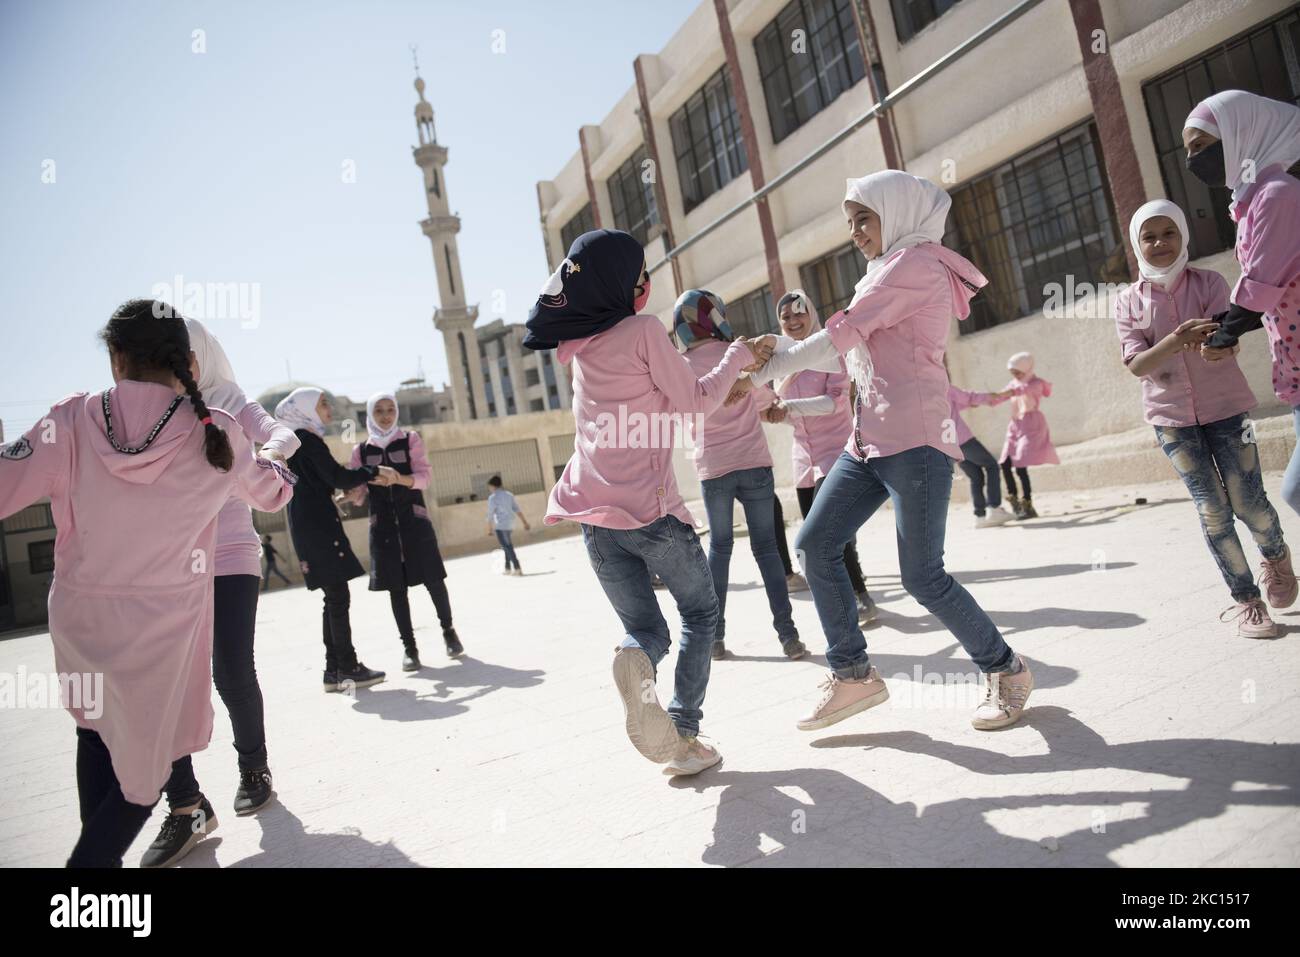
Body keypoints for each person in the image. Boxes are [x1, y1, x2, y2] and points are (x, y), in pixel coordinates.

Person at [0, 299, 294, 867]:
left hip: (80, 628)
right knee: (143, 776)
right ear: (186, 360)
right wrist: (278, 458)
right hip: (163, 635)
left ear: (115, 359)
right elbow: (273, 491)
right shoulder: (218, 433)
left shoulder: (68, 421)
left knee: (94, 734)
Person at [743, 171, 1034, 732]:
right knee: (815, 544)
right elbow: (844, 355)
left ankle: (1007, 670)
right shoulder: (880, 274)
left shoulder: (916, 265)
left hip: (915, 441)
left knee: (922, 577)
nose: (855, 232)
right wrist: (773, 357)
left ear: (896, 212)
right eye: (850, 223)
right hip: (867, 442)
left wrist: (775, 363)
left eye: (863, 219)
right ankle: (853, 675)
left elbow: (840, 336)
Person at [524, 228, 773, 777]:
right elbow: (695, 400)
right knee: (701, 612)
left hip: (592, 518)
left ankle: (636, 665)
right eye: (640, 275)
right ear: (621, 283)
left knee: (648, 632)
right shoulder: (643, 330)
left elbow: (657, 394)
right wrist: (735, 356)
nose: (646, 284)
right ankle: (683, 728)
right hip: (652, 515)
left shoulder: (579, 347)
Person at [140, 318, 302, 868]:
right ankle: (186, 804)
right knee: (164, 682)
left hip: (230, 555)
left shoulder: (228, 399)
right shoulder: (147, 408)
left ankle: (254, 769)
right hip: (168, 563)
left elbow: (283, 434)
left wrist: (263, 460)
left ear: (199, 354)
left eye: (182, 352)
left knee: (231, 670)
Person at [1115, 198, 1296, 638]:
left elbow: (1228, 339)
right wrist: (1176, 340)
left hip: (1229, 411)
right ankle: (1247, 601)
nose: (1160, 242)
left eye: (1169, 233)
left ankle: (1275, 555)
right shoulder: (1129, 302)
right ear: (1137, 245)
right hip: (1171, 421)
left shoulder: (1212, 283)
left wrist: (1221, 344)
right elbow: (1137, 365)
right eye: (1149, 236)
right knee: (1213, 511)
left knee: (1249, 501)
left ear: (1183, 236)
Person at [1183, 90, 1300, 518]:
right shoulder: (1252, 201)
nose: (1193, 159)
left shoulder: (1278, 194)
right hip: (1294, 368)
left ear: (1239, 134)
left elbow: (1263, 281)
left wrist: (1227, 330)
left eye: (1200, 145)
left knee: (1295, 491)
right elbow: (1270, 290)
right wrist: (1222, 324)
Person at [674, 288, 806, 662]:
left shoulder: (681, 366)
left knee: (720, 549)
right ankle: (789, 636)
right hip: (753, 464)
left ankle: (715, 638)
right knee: (767, 549)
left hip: (713, 468)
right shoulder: (741, 354)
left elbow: (684, 411)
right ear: (717, 316)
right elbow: (765, 401)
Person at [763, 289, 876, 620]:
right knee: (812, 537)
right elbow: (777, 410)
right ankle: (838, 600)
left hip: (836, 454)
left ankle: (859, 595)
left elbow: (835, 403)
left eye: (799, 313)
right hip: (803, 460)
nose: (793, 321)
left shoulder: (829, 351)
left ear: (811, 313)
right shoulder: (781, 363)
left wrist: (788, 408)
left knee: (834, 534)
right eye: (785, 317)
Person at [275, 387, 391, 692]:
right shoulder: (306, 439)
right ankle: (348, 668)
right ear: (305, 410)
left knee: (333, 597)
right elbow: (337, 475)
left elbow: (319, 483)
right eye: (322, 404)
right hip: (318, 525)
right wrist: (373, 470)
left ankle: (333, 671)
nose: (329, 408)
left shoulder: (294, 441)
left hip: (308, 522)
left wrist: (338, 492)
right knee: (338, 597)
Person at [345, 392, 464, 669]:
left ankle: (449, 632)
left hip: (414, 522)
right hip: (383, 528)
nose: (385, 415)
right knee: (396, 589)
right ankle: (409, 648)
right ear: (370, 415)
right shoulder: (360, 452)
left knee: (433, 579)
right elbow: (360, 491)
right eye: (379, 411)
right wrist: (350, 496)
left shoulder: (410, 439)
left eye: (389, 410)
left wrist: (399, 478)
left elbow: (425, 477)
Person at [998, 353, 1058, 519]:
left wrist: (1008, 393)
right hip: (1015, 425)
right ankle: (1014, 499)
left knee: (1020, 464)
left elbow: (1024, 390)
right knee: (1004, 462)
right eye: (1013, 373)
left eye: (1017, 372)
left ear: (1026, 368)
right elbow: (1003, 395)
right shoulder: (1014, 384)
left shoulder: (1035, 383)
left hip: (1032, 423)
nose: (1015, 376)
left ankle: (1028, 503)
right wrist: (987, 398)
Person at [947, 382, 1013, 527]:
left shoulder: (922, 393)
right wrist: (999, 395)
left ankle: (980, 517)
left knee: (976, 477)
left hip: (949, 446)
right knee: (992, 466)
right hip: (963, 440)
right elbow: (969, 397)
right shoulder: (941, 385)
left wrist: (977, 402)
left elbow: (957, 405)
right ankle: (994, 508)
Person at [486, 474, 531, 576]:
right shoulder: (509, 495)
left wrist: (489, 528)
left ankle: (517, 567)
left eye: (490, 487)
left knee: (507, 546)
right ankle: (507, 568)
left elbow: (490, 514)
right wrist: (525, 522)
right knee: (506, 546)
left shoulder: (492, 498)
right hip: (510, 524)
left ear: (493, 486)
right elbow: (517, 509)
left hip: (500, 526)